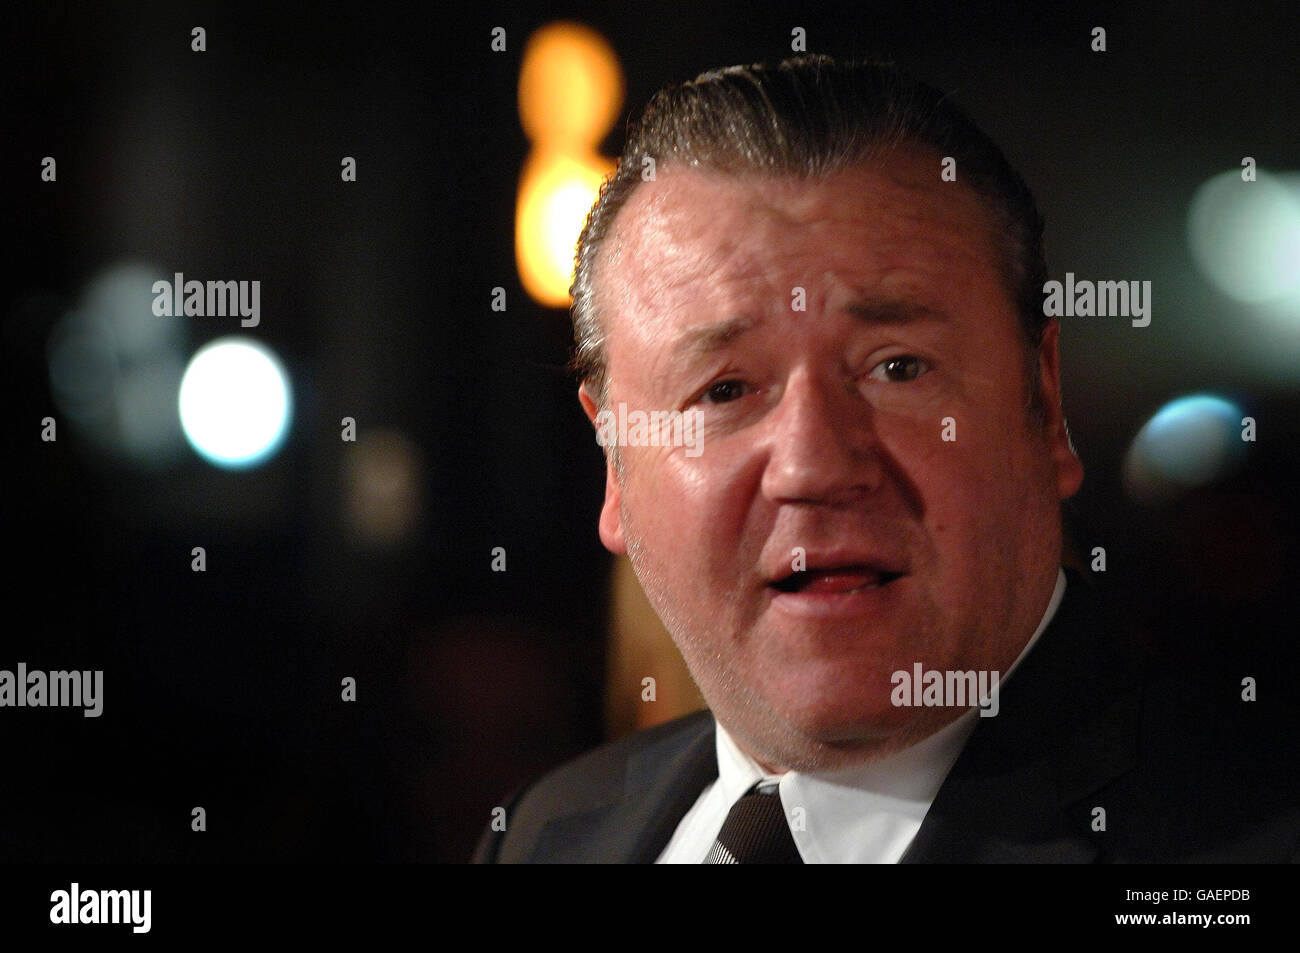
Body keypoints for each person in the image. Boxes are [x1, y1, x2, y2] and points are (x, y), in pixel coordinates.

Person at [474, 55, 1299, 863]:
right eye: (724, 391)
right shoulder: (545, 832)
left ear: (1044, 407)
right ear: (616, 462)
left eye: (897, 367)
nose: (813, 466)